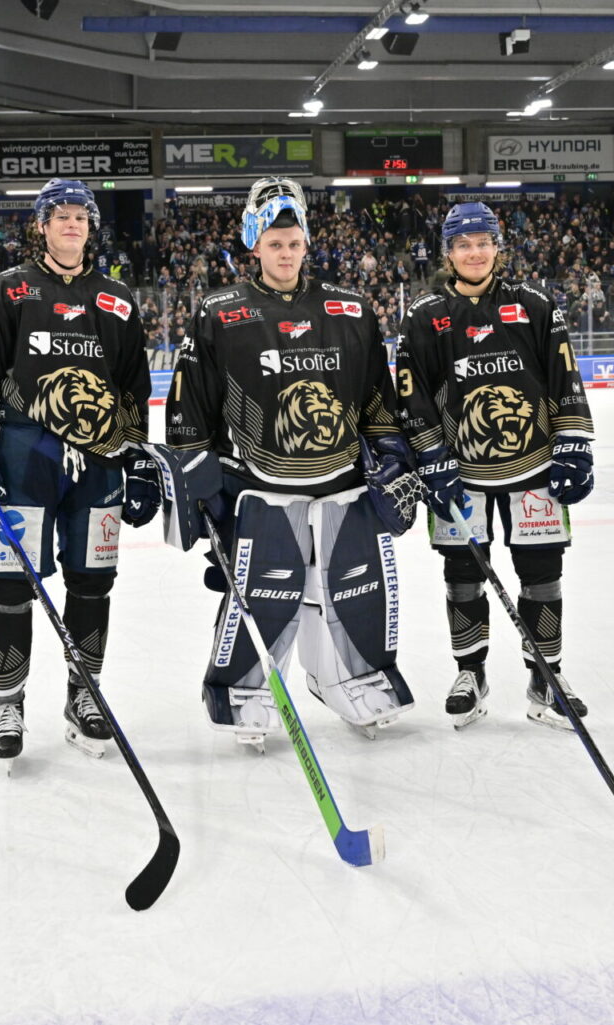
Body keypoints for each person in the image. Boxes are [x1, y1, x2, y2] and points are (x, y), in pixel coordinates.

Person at [157, 176, 419, 749]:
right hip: (261, 483)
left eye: (294, 242)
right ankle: (244, 685)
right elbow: (189, 404)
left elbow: (377, 395)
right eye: (274, 243)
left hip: (344, 479)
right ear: (254, 243)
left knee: (354, 584)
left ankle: (354, 674)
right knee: (268, 588)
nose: (285, 252)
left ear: (307, 244)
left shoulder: (349, 309)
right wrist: (195, 475)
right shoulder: (220, 312)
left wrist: (395, 454)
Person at [0, 178, 159, 760]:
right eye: (60, 215)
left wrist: (137, 458)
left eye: (81, 217)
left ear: (92, 228)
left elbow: (133, 389)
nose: (71, 224)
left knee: (94, 580)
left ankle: (82, 694)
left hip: (98, 460)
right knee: (11, 582)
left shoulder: (116, 299)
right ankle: (7, 704)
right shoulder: (8, 290)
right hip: (25, 453)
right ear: (40, 225)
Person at [395, 202, 596, 731]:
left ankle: (545, 678)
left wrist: (574, 443)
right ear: (448, 252)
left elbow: (564, 377)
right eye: (464, 244)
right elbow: (411, 394)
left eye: (484, 241)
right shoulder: (424, 314)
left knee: (543, 576)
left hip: (533, 467)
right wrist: (430, 457)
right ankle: (471, 673)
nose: (475, 252)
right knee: (463, 577)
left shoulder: (532, 304)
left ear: (497, 247)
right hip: (462, 474)